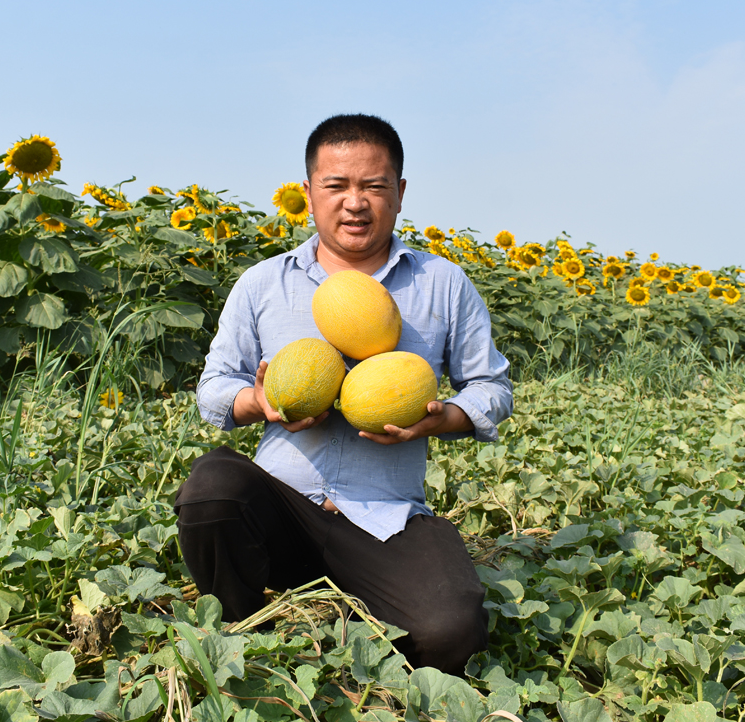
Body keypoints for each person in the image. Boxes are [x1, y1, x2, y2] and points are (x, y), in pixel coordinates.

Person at [175, 114, 513, 675]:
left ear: (400, 194)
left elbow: (491, 388)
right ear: (309, 193)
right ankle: (237, 635)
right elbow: (213, 389)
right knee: (212, 487)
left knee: (452, 631)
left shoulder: (444, 283)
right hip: (280, 509)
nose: (355, 203)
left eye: (374, 186)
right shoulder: (262, 283)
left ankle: (363, 608)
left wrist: (441, 418)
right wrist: (258, 404)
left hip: (385, 517)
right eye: (337, 186)